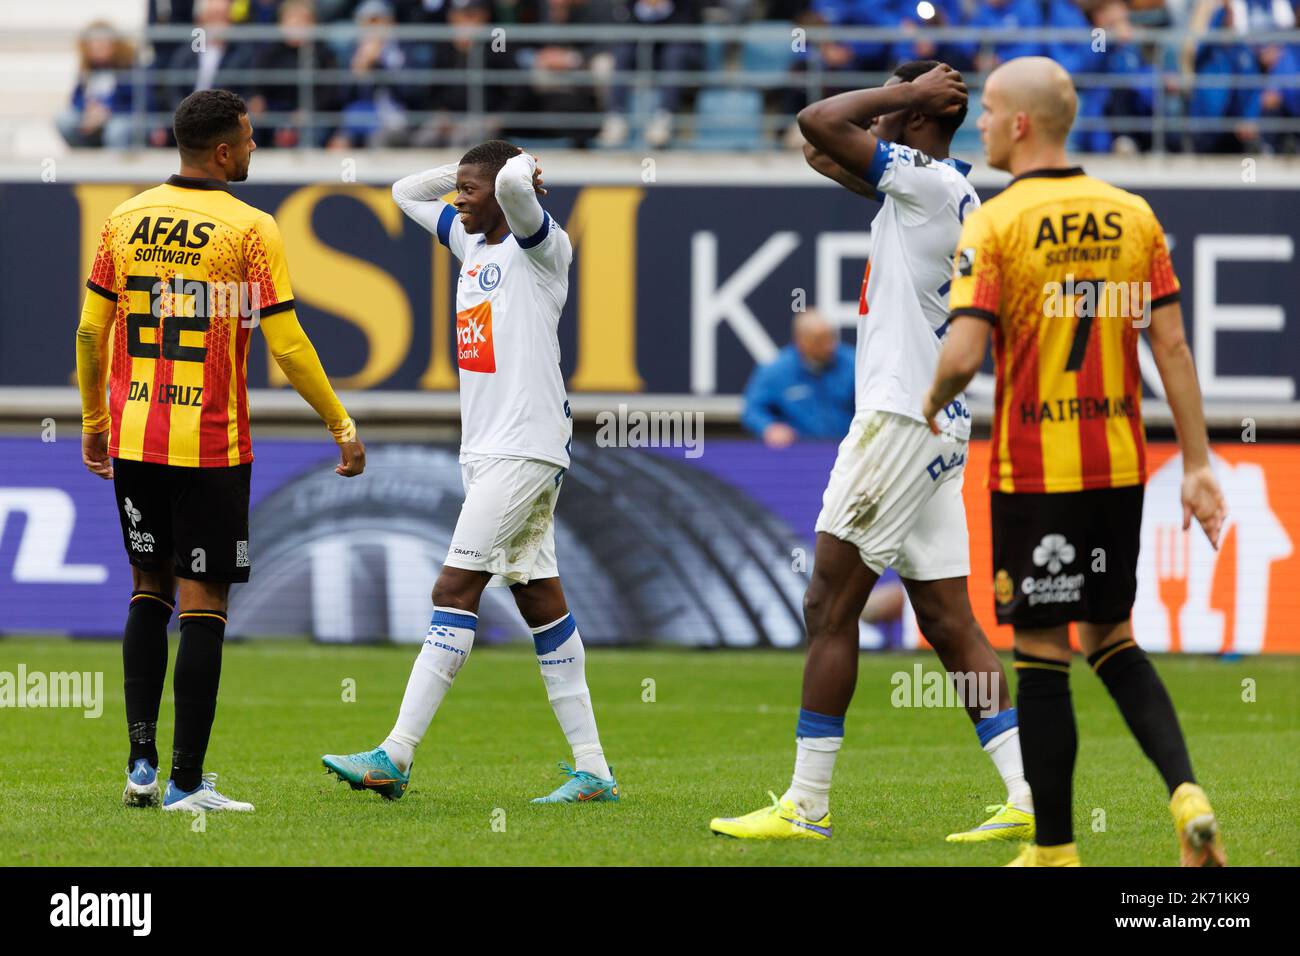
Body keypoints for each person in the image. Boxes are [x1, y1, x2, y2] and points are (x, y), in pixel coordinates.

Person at [710, 61, 1035, 846]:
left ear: (917, 117)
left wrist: (901, 96)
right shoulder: (945, 185)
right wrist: (904, 103)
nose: (878, 123)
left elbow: (820, 123)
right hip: (937, 425)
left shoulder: (922, 182)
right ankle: (1029, 793)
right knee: (948, 619)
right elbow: (824, 151)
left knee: (828, 604)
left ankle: (807, 806)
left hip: (897, 422)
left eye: (895, 110)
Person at [922, 56, 1228, 867]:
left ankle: (1056, 851)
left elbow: (961, 355)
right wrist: (1198, 464)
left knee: (1043, 655)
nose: (979, 124)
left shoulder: (995, 223)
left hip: (1036, 472)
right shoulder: (1133, 215)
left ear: (1020, 125)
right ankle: (1185, 792)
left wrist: (930, 400)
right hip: (1120, 468)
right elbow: (1172, 346)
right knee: (1112, 636)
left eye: (986, 111)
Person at [76, 88, 366, 813]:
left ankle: (140, 767)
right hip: (209, 444)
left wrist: (91, 420)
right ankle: (184, 783)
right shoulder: (250, 228)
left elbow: (89, 333)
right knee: (204, 603)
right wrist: (339, 422)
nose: (256, 147)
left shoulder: (124, 218)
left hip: (136, 436)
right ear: (224, 151)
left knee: (148, 592)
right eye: (250, 137)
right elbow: (288, 341)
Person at [321, 141, 619, 805]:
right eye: (457, 190)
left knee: (455, 588)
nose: (458, 200)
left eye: (470, 191)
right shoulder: (472, 246)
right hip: (491, 450)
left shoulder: (543, 251)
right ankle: (594, 771)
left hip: (524, 448)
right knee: (539, 598)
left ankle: (394, 755)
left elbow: (515, 189)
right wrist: (464, 172)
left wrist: (521, 169)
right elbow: (405, 192)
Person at [741, 310, 855, 447]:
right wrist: (769, 427)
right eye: (819, 340)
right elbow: (753, 409)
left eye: (831, 338)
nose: (828, 346)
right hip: (798, 455)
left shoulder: (853, 364)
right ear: (800, 340)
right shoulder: (776, 371)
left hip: (846, 449)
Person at [58, 21, 140, 149]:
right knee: (64, 119)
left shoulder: (129, 67)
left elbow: (137, 103)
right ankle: (84, 154)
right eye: (94, 44)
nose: (98, 48)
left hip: (118, 117)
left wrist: (108, 112)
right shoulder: (88, 68)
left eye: (102, 43)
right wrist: (87, 110)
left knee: (116, 131)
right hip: (92, 117)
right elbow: (76, 99)